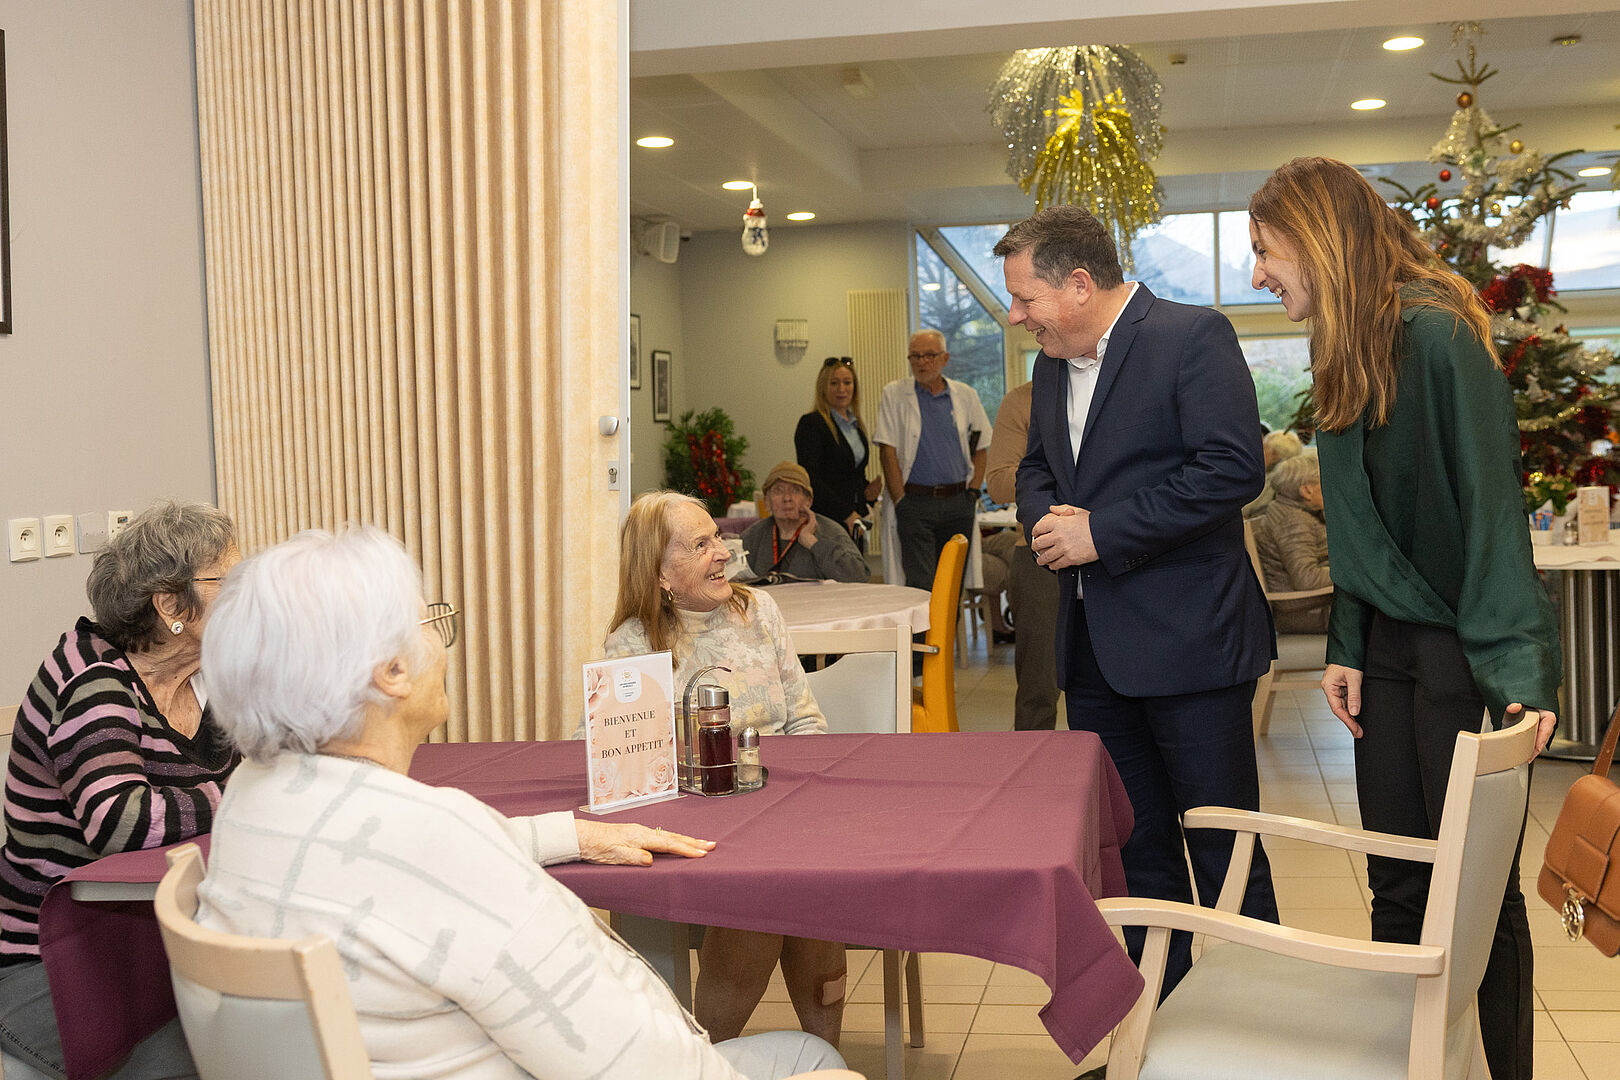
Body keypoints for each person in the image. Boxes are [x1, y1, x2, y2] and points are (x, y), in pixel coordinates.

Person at [195, 525, 846, 1080]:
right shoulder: (436, 842)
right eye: (427, 623)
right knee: (811, 1057)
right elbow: (638, 1064)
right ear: (390, 673)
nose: (437, 644)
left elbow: (397, 868)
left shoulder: (251, 797)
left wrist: (566, 835)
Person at [1249, 156, 1561, 1080]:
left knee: (1477, 900)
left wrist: (1519, 676)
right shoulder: (1347, 343)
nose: (1259, 273)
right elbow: (1360, 525)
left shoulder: (1435, 337)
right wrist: (1347, 643)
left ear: (1317, 237)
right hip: (1387, 649)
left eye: (1266, 249)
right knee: (1396, 881)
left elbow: (1492, 511)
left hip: (1459, 654)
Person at [999, 205, 1279, 997]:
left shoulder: (1192, 337)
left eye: (1026, 301)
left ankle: (1254, 1041)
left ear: (1080, 284)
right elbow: (1035, 470)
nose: (1018, 319)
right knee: (1133, 856)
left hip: (1191, 649)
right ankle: (1162, 1034)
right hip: (1093, 655)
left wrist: (1104, 534)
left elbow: (1231, 470)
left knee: (1226, 856)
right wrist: (1045, 521)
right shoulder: (1054, 363)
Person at [0, 499, 241, 1080]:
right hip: (48, 959)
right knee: (210, 1063)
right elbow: (123, 824)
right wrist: (238, 797)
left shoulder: (203, 671)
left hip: (148, 941)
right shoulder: (94, 680)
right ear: (170, 605)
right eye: (229, 581)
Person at [604, 491, 842, 1050]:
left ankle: (829, 1054)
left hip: (784, 808)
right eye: (702, 544)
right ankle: (706, 1056)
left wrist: (810, 800)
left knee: (819, 895)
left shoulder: (759, 612)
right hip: (704, 827)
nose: (724, 554)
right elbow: (617, 754)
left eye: (719, 538)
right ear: (660, 573)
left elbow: (805, 720)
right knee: (758, 906)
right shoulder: (633, 644)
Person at [873, 329, 991, 590]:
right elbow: (887, 450)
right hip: (914, 504)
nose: (921, 362)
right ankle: (922, 634)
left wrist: (973, 493)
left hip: (959, 503)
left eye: (929, 355)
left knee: (952, 586)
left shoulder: (965, 395)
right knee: (921, 587)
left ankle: (946, 634)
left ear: (945, 358)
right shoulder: (894, 394)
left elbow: (981, 447)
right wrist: (900, 500)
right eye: (915, 356)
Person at [984, 379, 1060, 730]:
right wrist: (1065, 474)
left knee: (1116, 694)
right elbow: (998, 483)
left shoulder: (1122, 385)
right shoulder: (1022, 401)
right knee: (1038, 692)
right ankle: (1036, 781)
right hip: (1039, 556)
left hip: (1114, 549)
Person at [793, 357, 882, 545]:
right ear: (823, 387)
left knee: (855, 572)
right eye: (834, 383)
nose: (841, 389)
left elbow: (850, 474)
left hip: (855, 518)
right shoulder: (812, 423)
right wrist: (846, 514)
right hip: (827, 519)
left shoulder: (855, 426)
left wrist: (868, 492)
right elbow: (811, 478)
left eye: (847, 382)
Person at [739, 462, 869, 583]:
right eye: (778, 491)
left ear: (809, 501)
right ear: (767, 502)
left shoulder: (831, 532)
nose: (787, 498)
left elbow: (859, 577)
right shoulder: (754, 535)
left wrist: (813, 543)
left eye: (795, 491)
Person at [1249, 450, 1332, 633]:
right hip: (1307, 611)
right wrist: (1355, 574)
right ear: (1307, 491)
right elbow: (1306, 578)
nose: (1331, 487)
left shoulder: (1288, 510)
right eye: (1325, 482)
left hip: (1310, 606)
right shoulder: (1292, 521)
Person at [1242, 429, 1305, 518]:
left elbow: (1244, 510)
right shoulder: (1288, 479)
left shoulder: (1271, 482)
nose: (1257, 451)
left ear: (1275, 456)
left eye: (1263, 448)